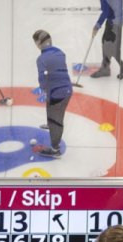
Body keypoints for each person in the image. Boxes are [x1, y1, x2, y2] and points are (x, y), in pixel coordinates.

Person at [32, 30, 72, 159]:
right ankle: (50, 123)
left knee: (57, 120)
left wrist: (44, 88)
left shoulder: (41, 59)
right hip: (66, 90)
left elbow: (42, 79)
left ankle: (55, 149)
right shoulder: (60, 53)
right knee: (51, 106)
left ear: (38, 43)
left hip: (58, 93)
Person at [91, 0, 123, 79]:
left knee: (111, 46)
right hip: (114, 19)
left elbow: (106, 11)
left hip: (114, 22)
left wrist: (97, 26)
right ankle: (105, 68)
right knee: (105, 42)